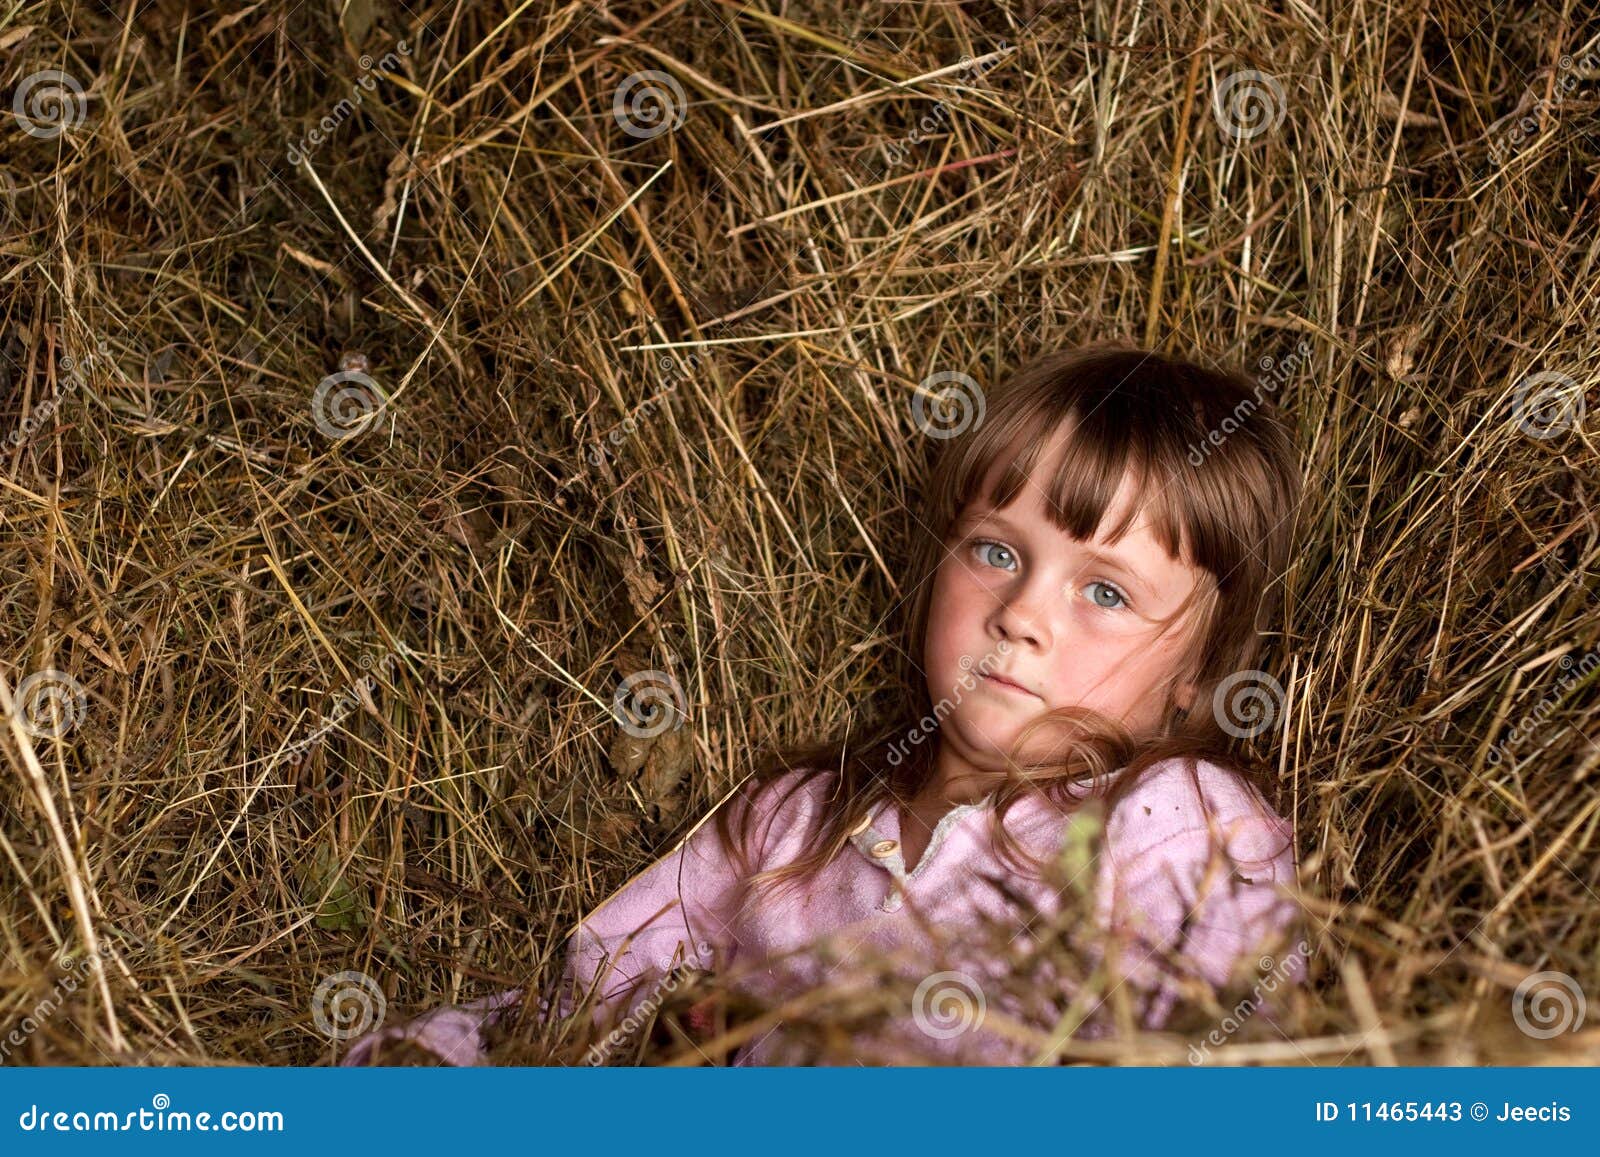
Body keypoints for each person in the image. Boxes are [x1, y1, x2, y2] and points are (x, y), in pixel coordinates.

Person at [341, 343, 1310, 1066]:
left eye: (1105, 591)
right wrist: (438, 1057)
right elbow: (596, 986)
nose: (1020, 615)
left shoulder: (1176, 821)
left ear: (1196, 671)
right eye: (996, 551)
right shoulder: (796, 819)